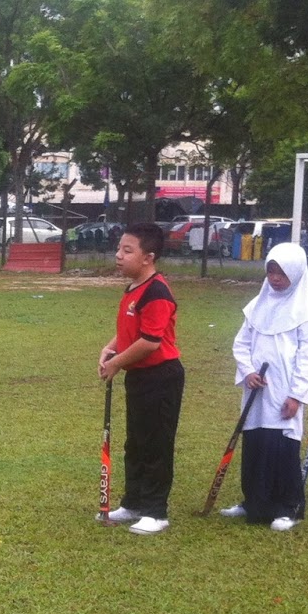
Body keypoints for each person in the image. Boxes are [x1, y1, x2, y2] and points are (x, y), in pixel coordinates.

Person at [220, 243, 308, 530]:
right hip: (257, 392)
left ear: (296, 274)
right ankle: (253, 501)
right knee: (255, 444)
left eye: (282, 273)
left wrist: (297, 396)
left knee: (281, 448)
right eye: (271, 271)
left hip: (284, 392)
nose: (275, 278)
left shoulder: (305, 313)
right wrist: (248, 371)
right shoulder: (257, 306)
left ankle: (287, 507)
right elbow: (241, 343)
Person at [98, 221, 184, 535]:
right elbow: (128, 333)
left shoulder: (157, 291)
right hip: (139, 378)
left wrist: (117, 363)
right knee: (135, 442)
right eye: (119, 249)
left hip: (161, 378)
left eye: (127, 250)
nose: (118, 255)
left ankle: (156, 511)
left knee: (156, 444)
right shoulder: (133, 289)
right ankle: (133, 502)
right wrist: (109, 349)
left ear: (147, 257)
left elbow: (150, 342)